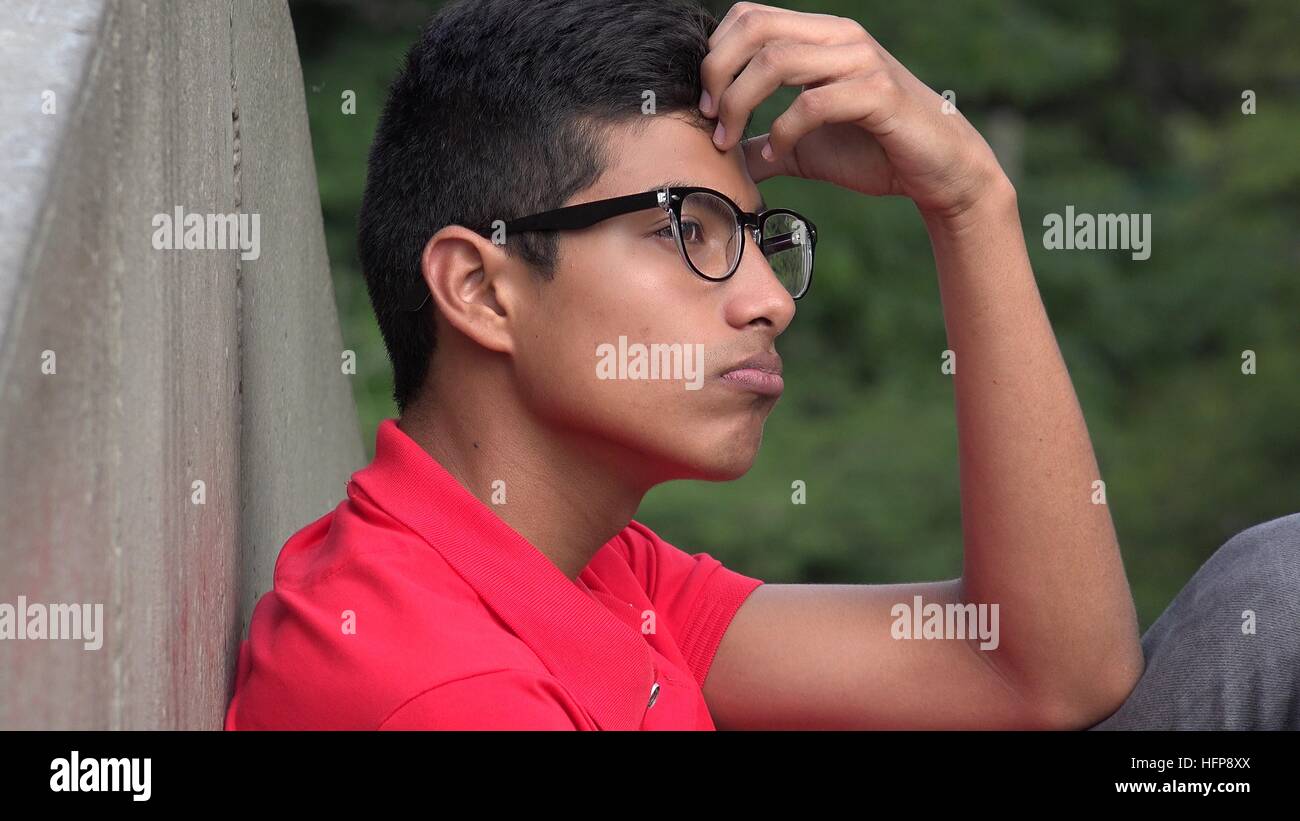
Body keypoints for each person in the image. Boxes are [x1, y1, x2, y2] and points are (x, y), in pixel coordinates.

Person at [224, 0, 1294, 730]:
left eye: (758, 236)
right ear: (481, 288)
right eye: (687, 229)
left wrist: (969, 199)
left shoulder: (594, 572)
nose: (769, 297)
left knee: (1276, 587)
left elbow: (1040, 668)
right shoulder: (432, 680)